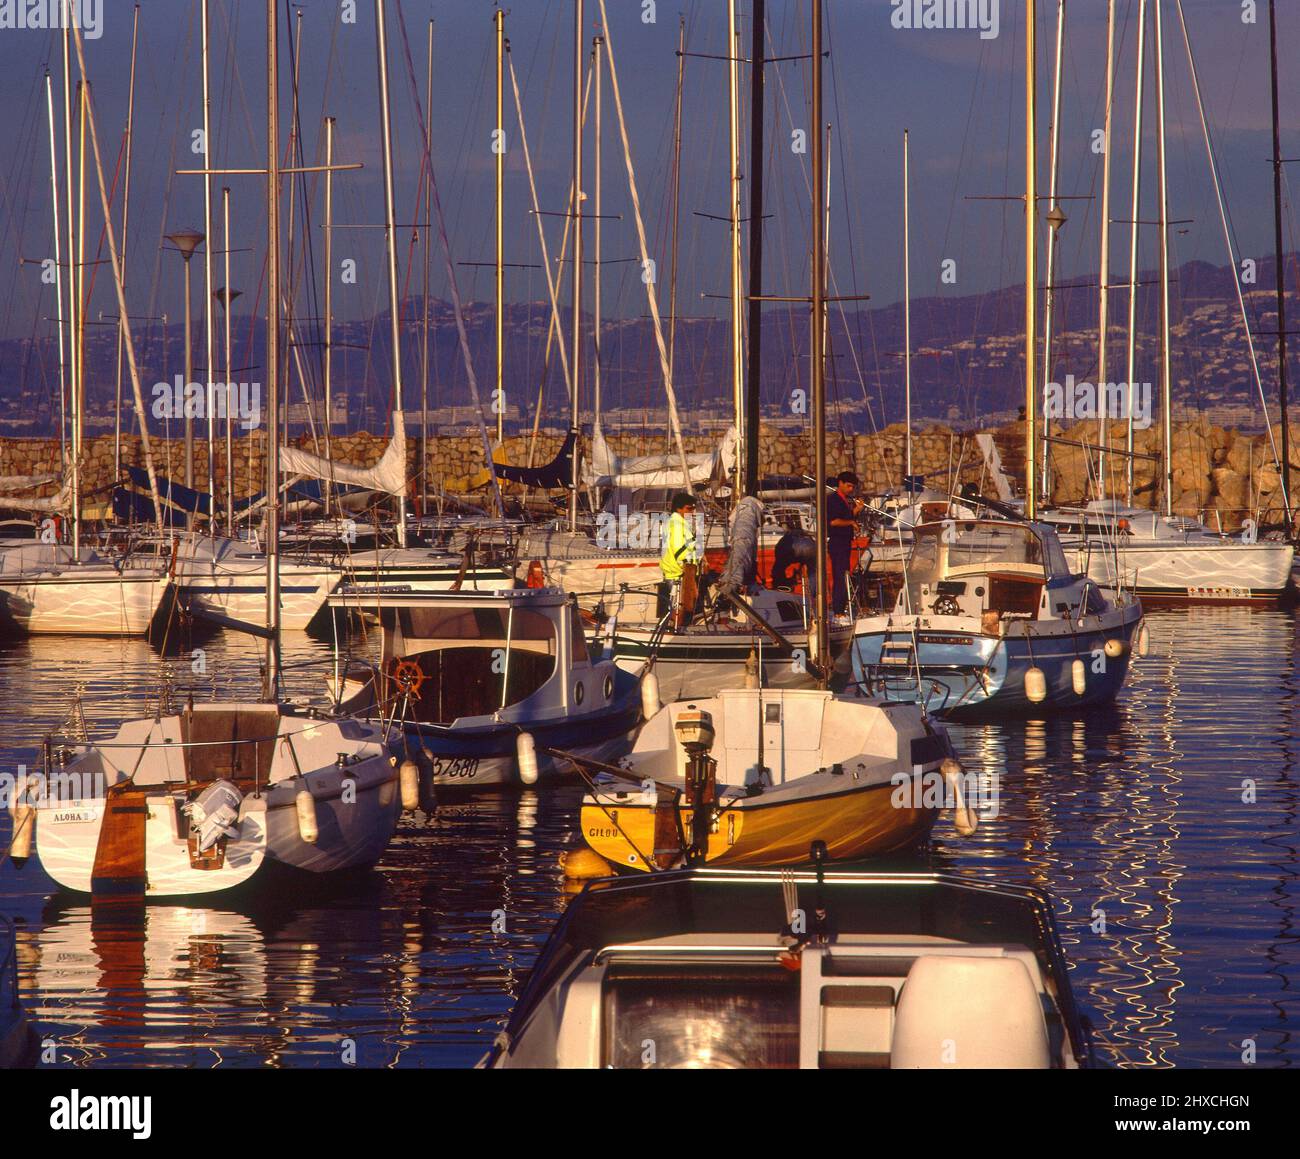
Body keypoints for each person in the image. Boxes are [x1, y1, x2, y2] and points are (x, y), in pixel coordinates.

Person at [826, 470, 864, 621]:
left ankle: (841, 609)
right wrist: (851, 522)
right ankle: (838, 611)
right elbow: (833, 522)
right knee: (840, 576)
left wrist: (856, 511)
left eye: (852, 487)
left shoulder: (844, 500)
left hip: (844, 542)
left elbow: (846, 518)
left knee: (844, 574)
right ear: (840, 483)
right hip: (837, 542)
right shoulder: (833, 500)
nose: (850, 490)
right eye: (848, 486)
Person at [661, 492, 701, 629]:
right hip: (679, 572)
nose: (692, 512)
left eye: (694, 509)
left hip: (677, 571)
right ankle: (675, 631)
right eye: (689, 509)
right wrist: (689, 573)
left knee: (677, 605)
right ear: (679, 509)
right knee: (678, 606)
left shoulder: (676, 522)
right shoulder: (677, 525)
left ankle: (676, 628)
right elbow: (680, 550)